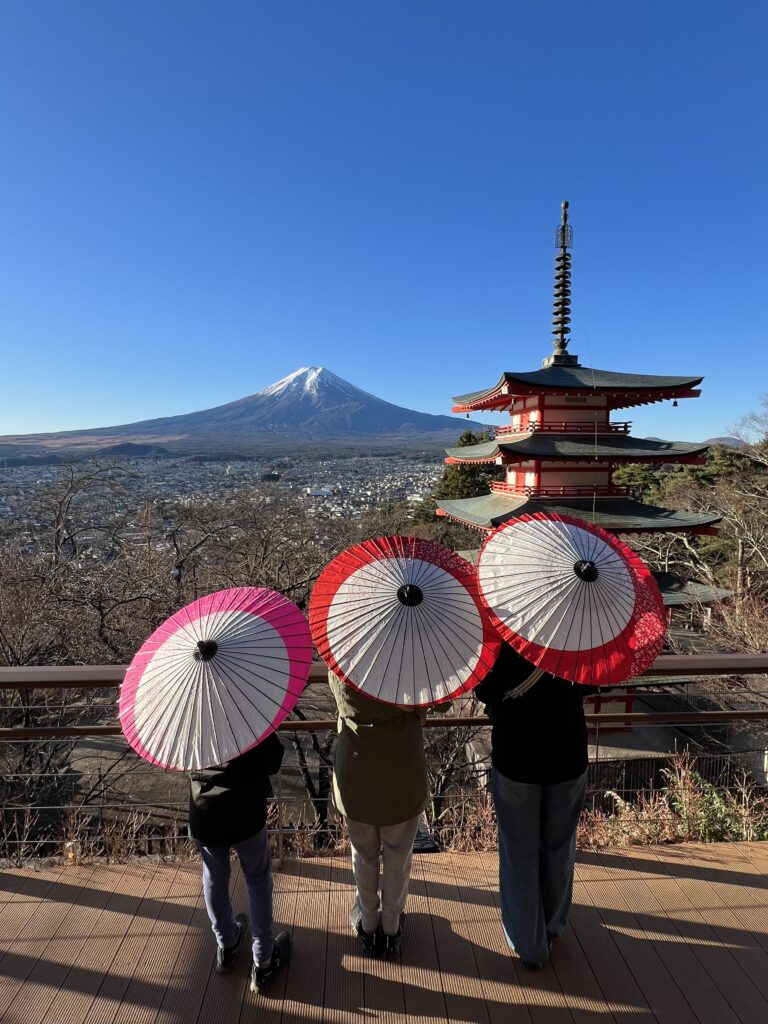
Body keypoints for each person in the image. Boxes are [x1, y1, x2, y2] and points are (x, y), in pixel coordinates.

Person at [473, 642, 596, 971]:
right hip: (567, 753)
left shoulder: (505, 637)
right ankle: (552, 926)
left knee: (518, 851)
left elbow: (483, 689)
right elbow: (598, 679)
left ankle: (529, 944)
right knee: (558, 847)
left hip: (517, 755)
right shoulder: (579, 635)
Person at [328, 670, 442, 960]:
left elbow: (342, 701)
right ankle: (391, 929)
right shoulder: (411, 661)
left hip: (356, 775)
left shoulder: (342, 660)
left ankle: (367, 924)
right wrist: (417, 709)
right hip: (401, 774)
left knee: (363, 854)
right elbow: (443, 699)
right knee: (399, 854)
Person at [189, 732, 291, 993]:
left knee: (213, 876)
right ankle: (264, 958)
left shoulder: (191, 716)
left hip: (205, 811)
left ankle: (226, 942)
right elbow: (272, 760)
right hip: (245, 809)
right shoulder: (245, 713)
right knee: (258, 879)